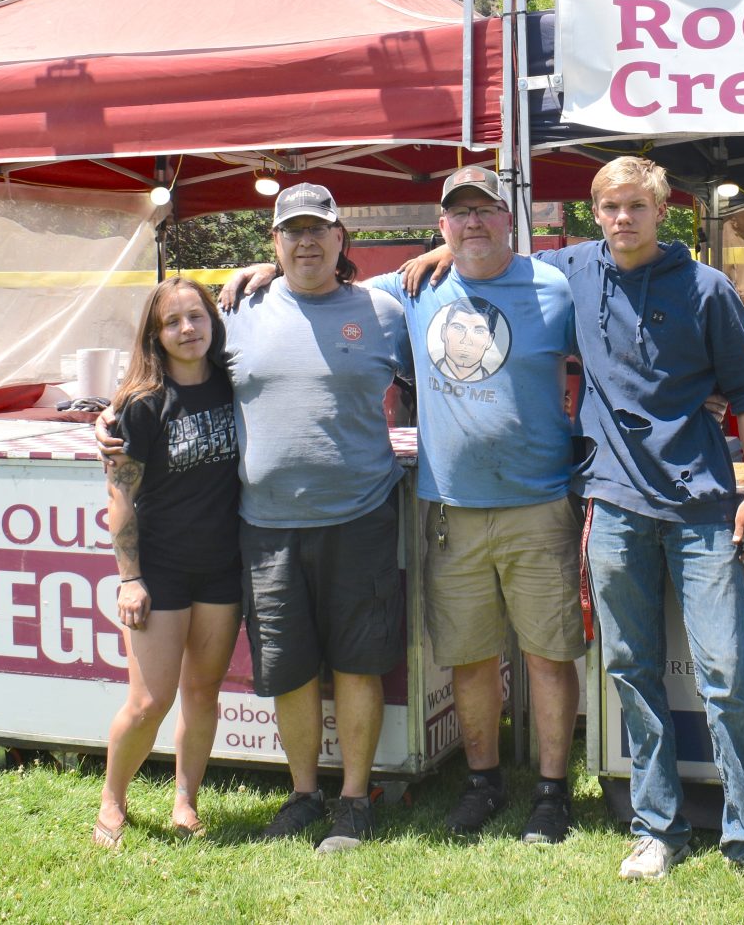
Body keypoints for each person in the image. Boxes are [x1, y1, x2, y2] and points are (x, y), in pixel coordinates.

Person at [402, 156, 744, 888]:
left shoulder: (706, 289)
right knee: (632, 673)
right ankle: (656, 828)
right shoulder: (575, 271)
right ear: (595, 214)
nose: (622, 218)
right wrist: (440, 247)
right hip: (614, 506)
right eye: (609, 207)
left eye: (635, 207)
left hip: (701, 509)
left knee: (724, 675)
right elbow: (486, 247)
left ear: (663, 211)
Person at [226, 164, 585, 844]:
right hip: (448, 505)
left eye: (486, 211)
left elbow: (604, 354)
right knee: (470, 655)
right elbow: (317, 280)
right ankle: (482, 782)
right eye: (459, 214)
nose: (474, 222)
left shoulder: (553, 287)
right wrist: (264, 269)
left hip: (538, 501)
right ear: (441, 224)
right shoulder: (404, 293)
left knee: (547, 653)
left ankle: (552, 791)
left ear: (510, 218)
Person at [99, 183, 410, 854]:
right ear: (272, 242)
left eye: (318, 229)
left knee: (358, 665)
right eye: (290, 231)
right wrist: (114, 414)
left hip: (360, 517)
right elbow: (167, 371)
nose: (306, 241)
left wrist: (443, 243)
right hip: (265, 528)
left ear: (340, 237)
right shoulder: (237, 312)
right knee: (290, 668)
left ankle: (354, 799)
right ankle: (304, 794)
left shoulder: (385, 310)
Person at [94, 279, 243, 848]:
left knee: (203, 692)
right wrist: (129, 579)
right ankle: (113, 798)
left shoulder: (234, 384)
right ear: (155, 336)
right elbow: (120, 498)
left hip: (223, 566)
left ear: (212, 321)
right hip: (161, 570)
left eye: (196, 316)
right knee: (151, 699)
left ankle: (186, 801)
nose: (188, 329)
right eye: (174, 321)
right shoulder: (142, 403)